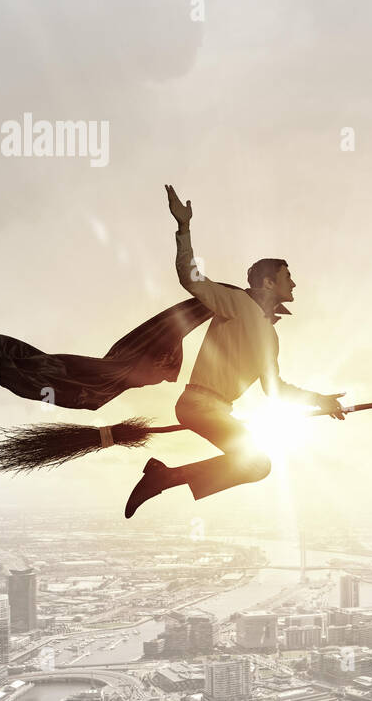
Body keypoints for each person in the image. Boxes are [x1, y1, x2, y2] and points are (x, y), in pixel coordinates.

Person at [124, 185, 345, 518]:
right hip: (199, 403)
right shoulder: (237, 303)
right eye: (288, 276)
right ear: (267, 283)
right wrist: (183, 228)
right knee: (258, 464)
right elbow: (190, 277)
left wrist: (320, 400)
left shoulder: (270, 336)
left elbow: (275, 390)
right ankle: (163, 476)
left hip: (215, 409)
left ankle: (164, 475)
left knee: (257, 466)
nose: (295, 284)